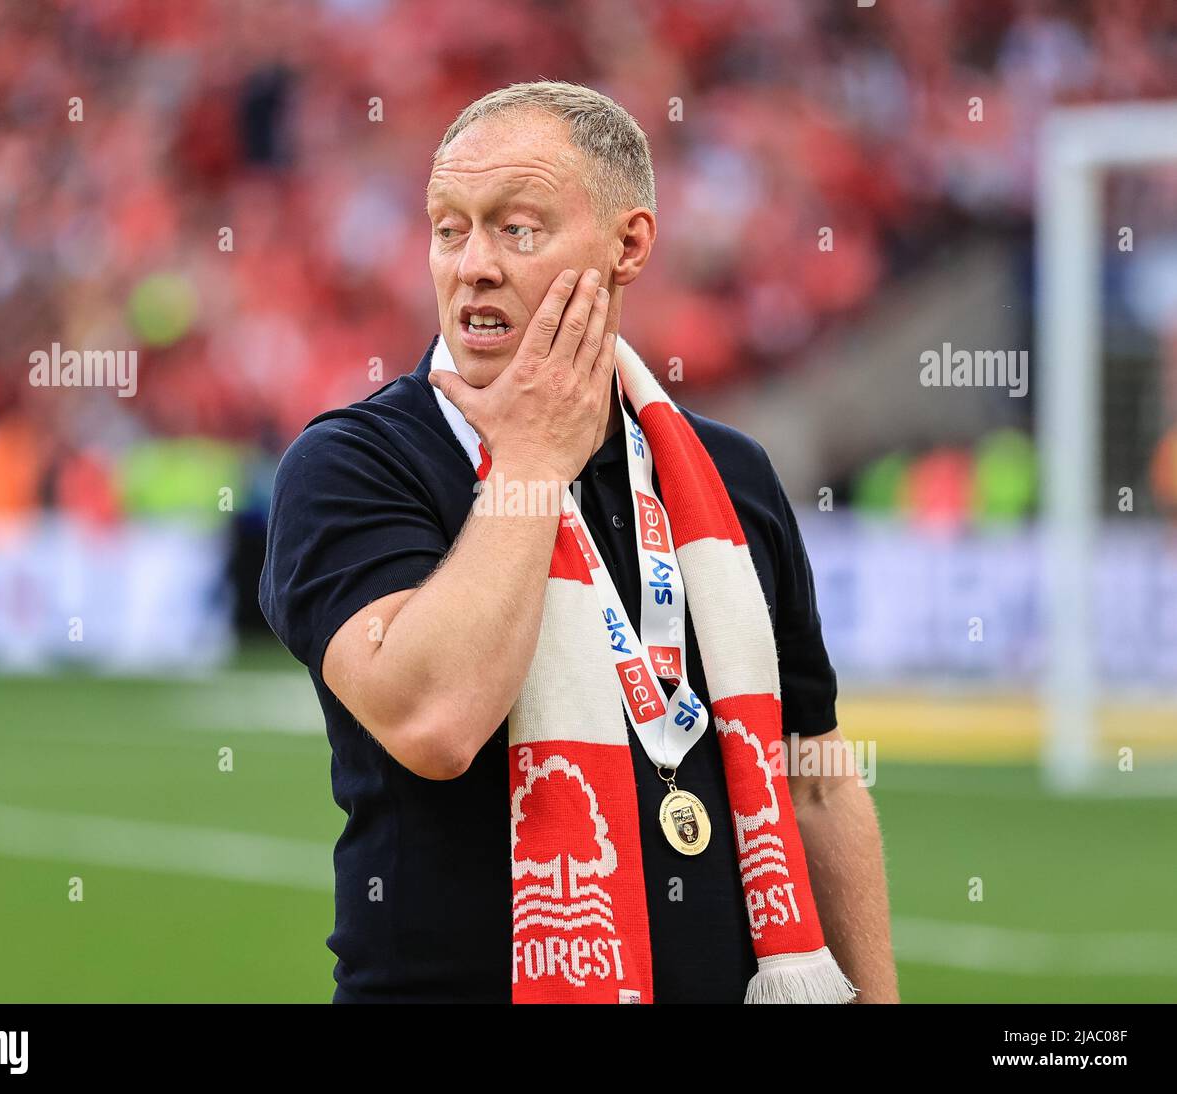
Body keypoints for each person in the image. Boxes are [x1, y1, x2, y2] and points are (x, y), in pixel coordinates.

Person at [260, 81, 898, 1004]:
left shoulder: (729, 475)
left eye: (517, 229)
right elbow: (436, 721)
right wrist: (530, 460)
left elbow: (818, 781)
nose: (473, 266)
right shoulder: (353, 463)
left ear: (628, 246)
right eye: (448, 229)